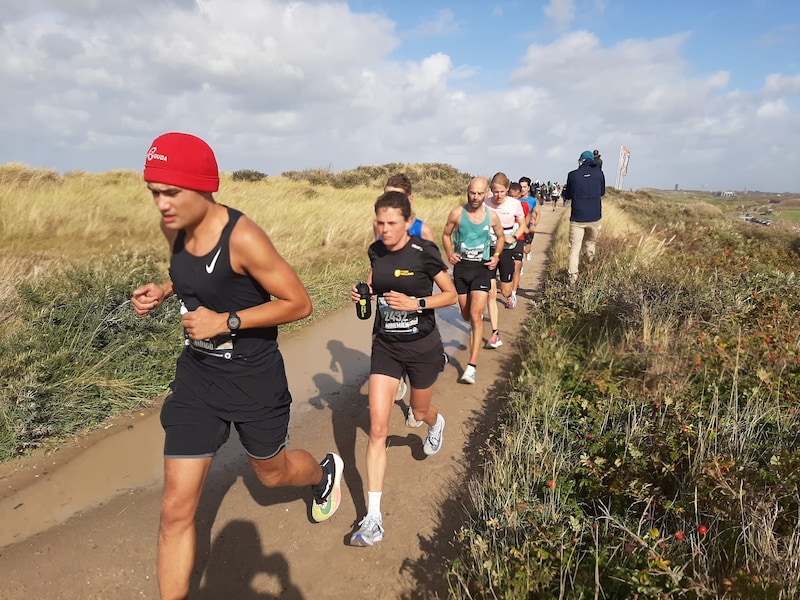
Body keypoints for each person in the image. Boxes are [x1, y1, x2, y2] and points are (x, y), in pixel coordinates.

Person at [131, 132, 344, 599]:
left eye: (171, 192)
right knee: (175, 509)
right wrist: (163, 290)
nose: (162, 205)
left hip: (253, 382)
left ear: (205, 187)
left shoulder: (243, 238)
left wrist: (226, 321)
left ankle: (324, 471)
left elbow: (299, 303)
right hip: (198, 380)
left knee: (272, 474)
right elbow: (189, 273)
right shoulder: (174, 228)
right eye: (154, 193)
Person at [349, 191, 457, 547]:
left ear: (408, 222)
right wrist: (364, 293)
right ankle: (373, 518)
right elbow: (375, 285)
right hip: (387, 347)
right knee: (377, 429)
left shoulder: (425, 252)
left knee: (418, 413)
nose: (385, 229)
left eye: (392, 223)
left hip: (422, 348)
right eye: (379, 222)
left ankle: (435, 423)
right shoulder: (375, 250)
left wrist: (416, 303)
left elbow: (451, 295)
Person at [442, 177, 505, 385]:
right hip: (461, 269)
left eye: (479, 193)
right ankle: (472, 351)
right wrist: (449, 252)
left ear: (486, 193)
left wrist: (496, 256)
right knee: (467, 315)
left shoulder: (492, 216)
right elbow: (446, 235)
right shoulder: (457, 213)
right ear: (467, 192)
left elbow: (501, 237)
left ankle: (471, 366)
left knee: (477, 315)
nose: (475, 197)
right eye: (472, 193)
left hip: (482, 269)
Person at [485, 172, 527, 309]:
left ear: (507, 189)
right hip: (489, 246)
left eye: (502, 192)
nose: (498, 195)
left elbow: (522, 225)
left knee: (505, 291)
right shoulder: (485, 204)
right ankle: (484, 313)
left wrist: (514, 237)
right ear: (491, 190)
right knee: (488, 288)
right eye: (495, 192)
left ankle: (509, 296)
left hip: (508, 247)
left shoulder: (514, 204)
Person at [562, 150, 606, 283]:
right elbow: (602, 192)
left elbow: (568, 195)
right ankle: (590, 273)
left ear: (580, 161)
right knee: (590, 245)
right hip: (594, 216)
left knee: (574, 249)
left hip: (578, 217)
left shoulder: (572, 175)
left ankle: (572, 279)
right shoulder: (599, 174)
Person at [372, 173, 434, 242]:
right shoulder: (377, 225)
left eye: (398, 198)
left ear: (410, 199)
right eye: (387, 196)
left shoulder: (422, 230)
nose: (391, 201)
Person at [518, 176, 540, 262]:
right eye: (521, 187)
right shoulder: (516, 199)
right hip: (518, 227)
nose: (522, 189)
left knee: (526, 250)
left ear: (528, 188)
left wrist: (534, 225)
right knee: (518, 249)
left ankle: (528, 252)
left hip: (528, 227)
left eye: (524, 187)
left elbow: (538, 214)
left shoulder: (532, 200)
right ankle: (520, 264)